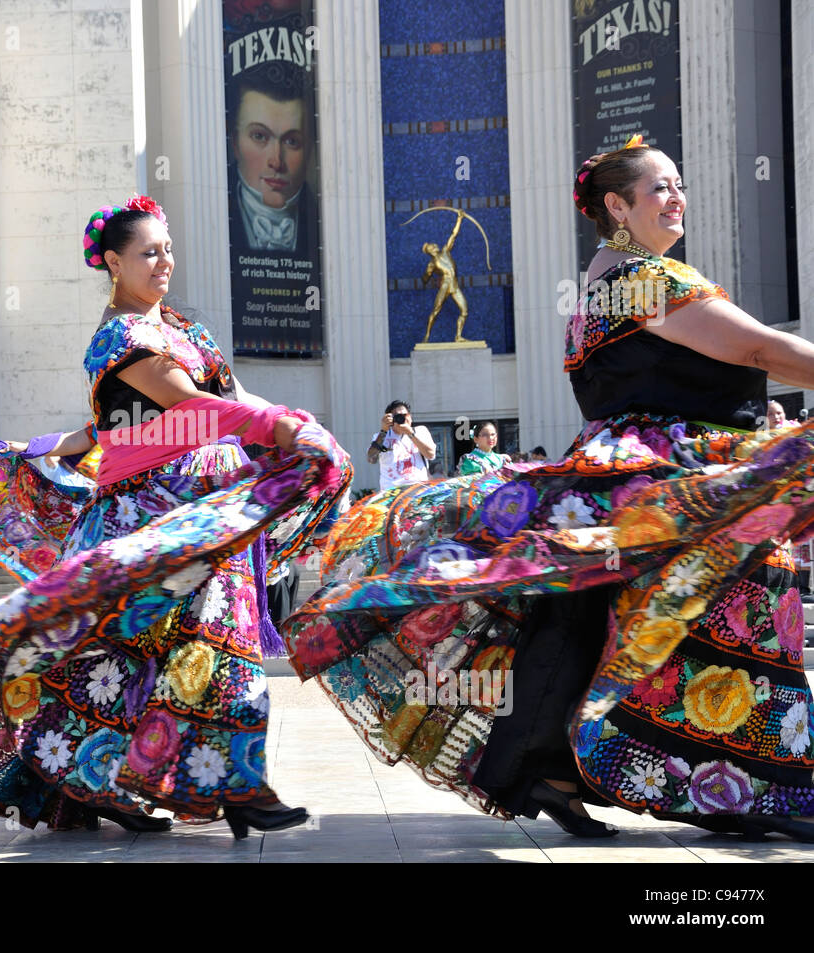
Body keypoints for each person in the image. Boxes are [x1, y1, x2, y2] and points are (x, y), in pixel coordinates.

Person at [286, 133, 814, 841]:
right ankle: (755, 786)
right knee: (722, 611)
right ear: (617, 206)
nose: (677, 196)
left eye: (678, 183)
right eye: (660, 186)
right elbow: (760, 349)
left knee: (592, 611)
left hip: (633, 477)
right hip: (678, 482)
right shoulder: (646, 281)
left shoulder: (600, 290)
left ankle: (557, 768)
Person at [0, 196, 348, 838]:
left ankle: (225, 783)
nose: (164, 262)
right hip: (145, 515)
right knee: (132, 661)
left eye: (168, 249)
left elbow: (230, 397)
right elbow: (188, 407)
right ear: (113, 263)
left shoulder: (187, 331)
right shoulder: (119, 336)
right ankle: (148, 784)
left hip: (211, 511)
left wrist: (301, 425)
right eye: (148, 252)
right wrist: (276, 426)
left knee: (210, 646)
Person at [228, 68, 317, 255]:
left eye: (292, 141)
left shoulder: (322, 221)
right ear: (235, 143)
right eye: (259, 136)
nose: (276, 161)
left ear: (308, 150)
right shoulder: (215, 214)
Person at [367, 400, 436, 491]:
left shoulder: (420, 431)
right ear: (390, 419)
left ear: (410, 417)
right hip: (391, 493)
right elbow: (371, 459)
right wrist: (383, 431)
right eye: (397, 416)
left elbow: (430, 455)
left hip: (418, 490)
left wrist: (410, 433)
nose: (402, 418)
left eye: (405, 415)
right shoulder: (381, 436)